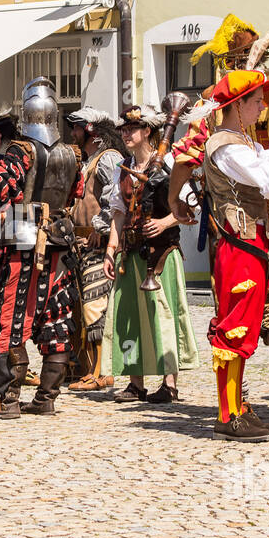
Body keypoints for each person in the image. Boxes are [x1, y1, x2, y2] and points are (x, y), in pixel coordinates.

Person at [169, 70, 269, 442]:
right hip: (238, 244)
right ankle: (228, 413)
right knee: (235, 325)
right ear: (237, 105)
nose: (263, 106)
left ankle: (237, 406)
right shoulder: (228, 145)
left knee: (244, 324)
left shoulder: (243, 141)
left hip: (250, 242)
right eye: (256, 100)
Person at [0, 80, 82, 418]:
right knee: (56, 319)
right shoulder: (70, 154)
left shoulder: (20, 151)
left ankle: (5, 400)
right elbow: (71, 197)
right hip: (59, 243)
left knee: (11, 318)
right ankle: (46, 397)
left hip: (24, 244)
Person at [103, 105, 198, 402]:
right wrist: (111, 249)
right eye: (124, 129)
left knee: (164, 315)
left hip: (162, 253)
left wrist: (165, 221)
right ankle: (136, 382)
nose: (126, 134)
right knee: (129, 316)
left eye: (132, 128)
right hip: (130, 252)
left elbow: (191, 205)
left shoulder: (169, 164)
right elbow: (117, 214)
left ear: (148, 132)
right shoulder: (124, 168)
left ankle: (169, 383)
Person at [64, 106, 124, 392]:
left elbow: (117, 196)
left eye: (77, 128)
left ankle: (102, 371)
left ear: (91, 131)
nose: (73, 133)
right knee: (81, 306)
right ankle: (86, 366)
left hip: (97, 243)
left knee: (95, 306)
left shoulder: (109, 158)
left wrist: (102, 228)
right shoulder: (88, 160)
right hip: (81, 243)